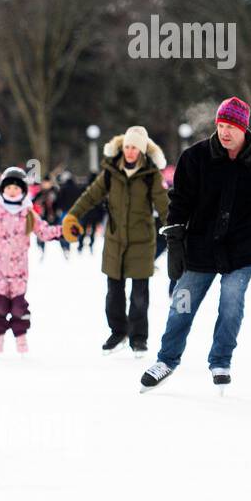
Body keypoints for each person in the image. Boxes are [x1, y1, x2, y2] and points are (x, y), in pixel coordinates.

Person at [140, 98, 251, 391]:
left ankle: (221, 360)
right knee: (181, 305)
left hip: (242, 249)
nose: (224, 133)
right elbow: (179, 204)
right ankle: (167, 360)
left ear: (244, 129)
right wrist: (174, 243)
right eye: (220, 126)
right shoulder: (194, 158)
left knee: (231, 305)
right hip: (200, 248)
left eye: (231, 127)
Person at [63, 127, 170, 357]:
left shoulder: (151, 175)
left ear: (142, 151)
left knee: (140, 295)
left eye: (135, 148)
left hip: (142, 241)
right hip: (114, 240)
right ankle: (118, 332)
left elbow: (163, 205)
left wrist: (174, 227)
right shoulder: (111, 172)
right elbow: (90, 196)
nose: (130, 152)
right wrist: (73, 215)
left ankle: (139, 338)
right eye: (127, 147)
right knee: (114, 293)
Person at [0, 167, 64, 353]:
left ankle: (21, 341)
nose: (12, 191)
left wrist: (62, 231)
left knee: (18, 309)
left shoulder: (28, 213)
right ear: (2, 190)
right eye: (9, 188)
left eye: (17, 188)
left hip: (19, 272)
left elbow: (43, 230)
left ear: (23, 190)